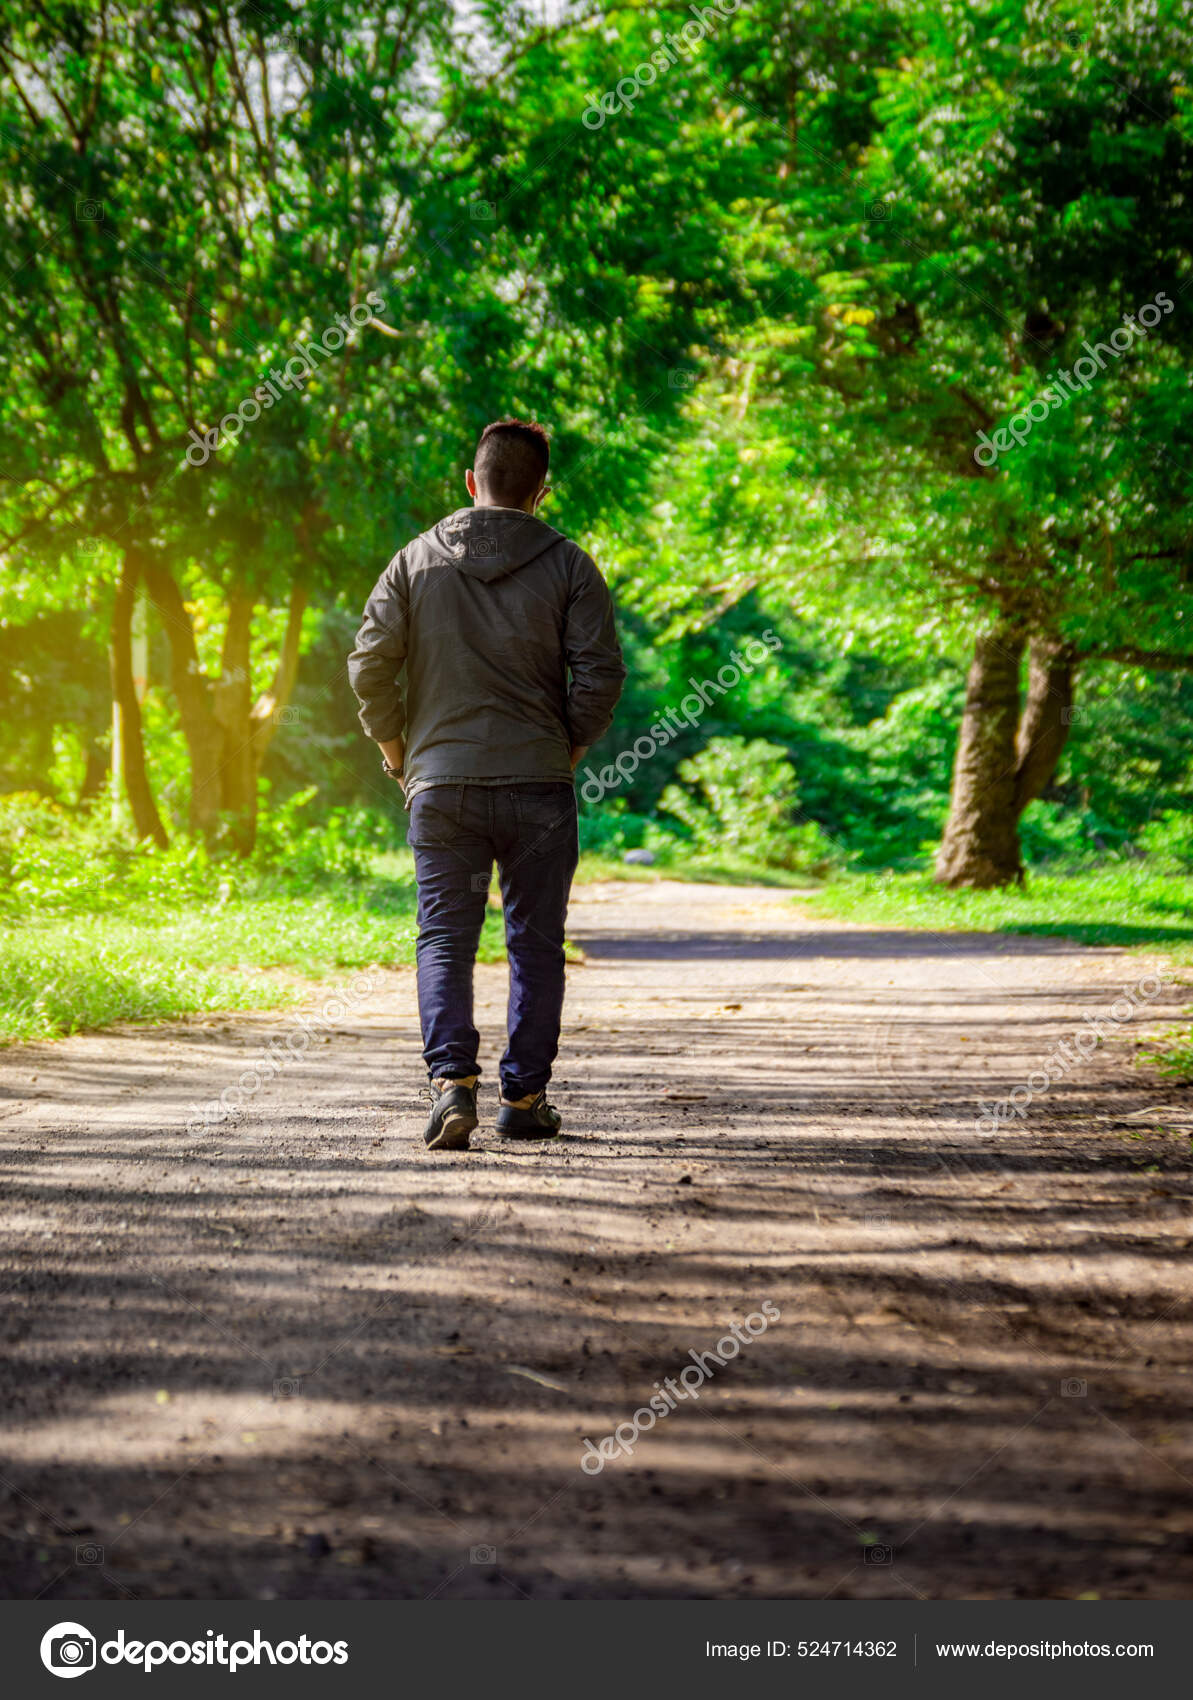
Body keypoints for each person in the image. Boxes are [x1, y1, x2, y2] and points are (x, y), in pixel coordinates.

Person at [348, 418, 625, 1151]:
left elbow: (369, 664)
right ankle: (525, 1099)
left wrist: (398, 754)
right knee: (535, 943)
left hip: (440, 785)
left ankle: (451, 1088)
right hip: (538, 784)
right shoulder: (570, 565)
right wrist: (564, 750)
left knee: (444, 935)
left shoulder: (412, 561)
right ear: (540, 495)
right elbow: (600, 675)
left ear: (472, 484)